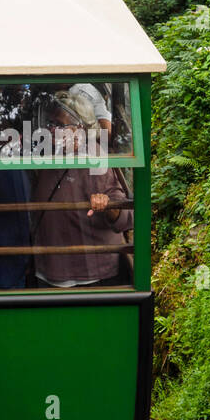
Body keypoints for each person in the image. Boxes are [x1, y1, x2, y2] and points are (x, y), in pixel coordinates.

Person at [31, 94, 133, 289]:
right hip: (48, 270)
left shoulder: (94, 156)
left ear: (80, 128)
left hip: (90, 275)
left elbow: (124, 215)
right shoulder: (49, 154)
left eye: (61, 125)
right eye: (52, 124)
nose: (53, 130)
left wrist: (107, 204)